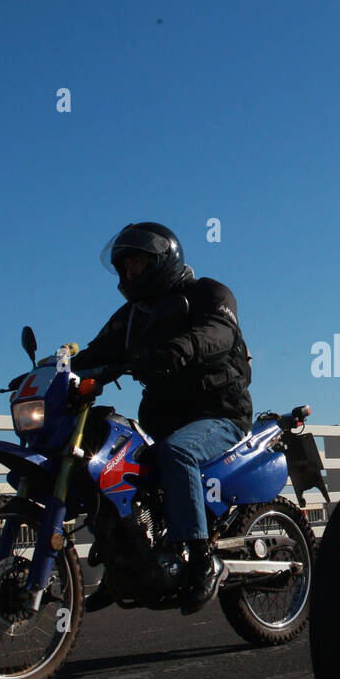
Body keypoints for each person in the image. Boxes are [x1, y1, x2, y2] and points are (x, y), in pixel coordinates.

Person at [71, 222, 252, 615]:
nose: (131, 272)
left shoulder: (207, 293)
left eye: (138, 263)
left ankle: (203, 558)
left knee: (177, 454)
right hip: (164, 420)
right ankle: (122, 568)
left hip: (218, 415)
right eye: (127, 267)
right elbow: (97, 352)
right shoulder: (132, 316)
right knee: (107, 463)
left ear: (162, 258)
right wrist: (55, 370)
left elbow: (220, 332)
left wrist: (182, 347)